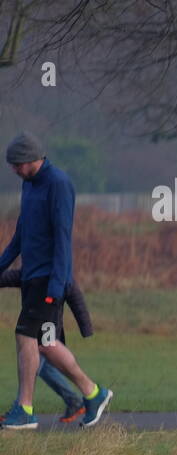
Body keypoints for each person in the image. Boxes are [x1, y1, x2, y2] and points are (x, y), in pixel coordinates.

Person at [0, 132, 112, 429]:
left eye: (16, 164)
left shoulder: (58, 184)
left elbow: (63, 239)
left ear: (31, 159)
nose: (13, 170)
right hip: (32, 279)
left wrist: (55, 287)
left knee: (25, 336)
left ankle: (24, 409)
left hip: (49, 280)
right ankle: (94, 393)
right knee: (46, 345)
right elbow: (20, 238)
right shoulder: (30, 186)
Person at [0, 266, 95, 422]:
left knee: (36, 367)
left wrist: (86, 328)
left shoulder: (60, 274)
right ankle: (74, 401)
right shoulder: (31, 271)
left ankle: (22, 409)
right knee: (39, 367)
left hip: (49, 330)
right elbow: (8, 277)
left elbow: (76, 298)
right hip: (34, 330)